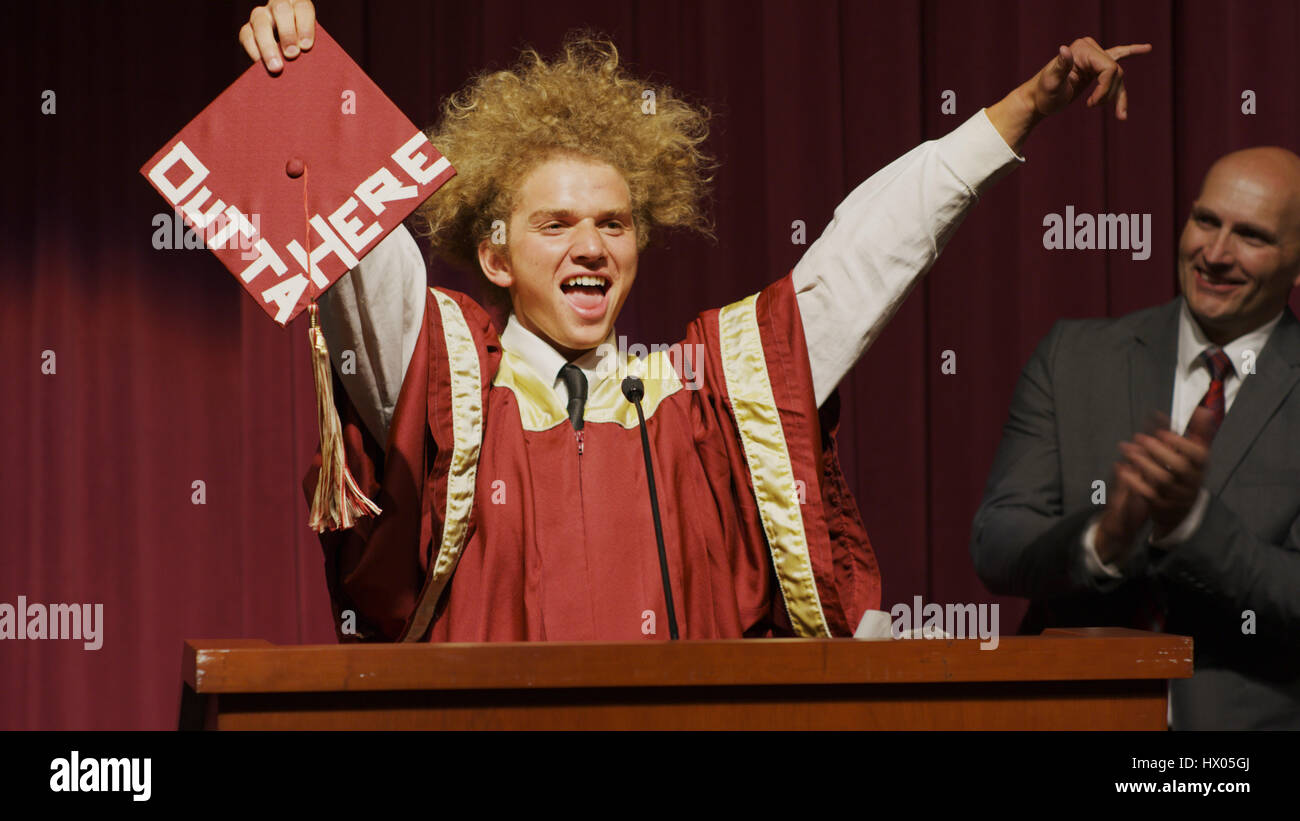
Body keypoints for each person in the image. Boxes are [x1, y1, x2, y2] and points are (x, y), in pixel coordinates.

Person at [240, 1, 1149, 642]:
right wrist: (309, 87)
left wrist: (1020, 112)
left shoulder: (710, 404)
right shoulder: (446, 385)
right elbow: (363, 262)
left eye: (614, 222)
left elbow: (862, 258)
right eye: (554, 224)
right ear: (493, 255)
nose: (590, 246)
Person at [971, 147, 1300, 729]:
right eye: (1205, 220)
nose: (1215, 254)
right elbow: (998, 543)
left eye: (1250, 236)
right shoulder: (1073, 358)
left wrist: (1192, 524)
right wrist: (1105, 536)